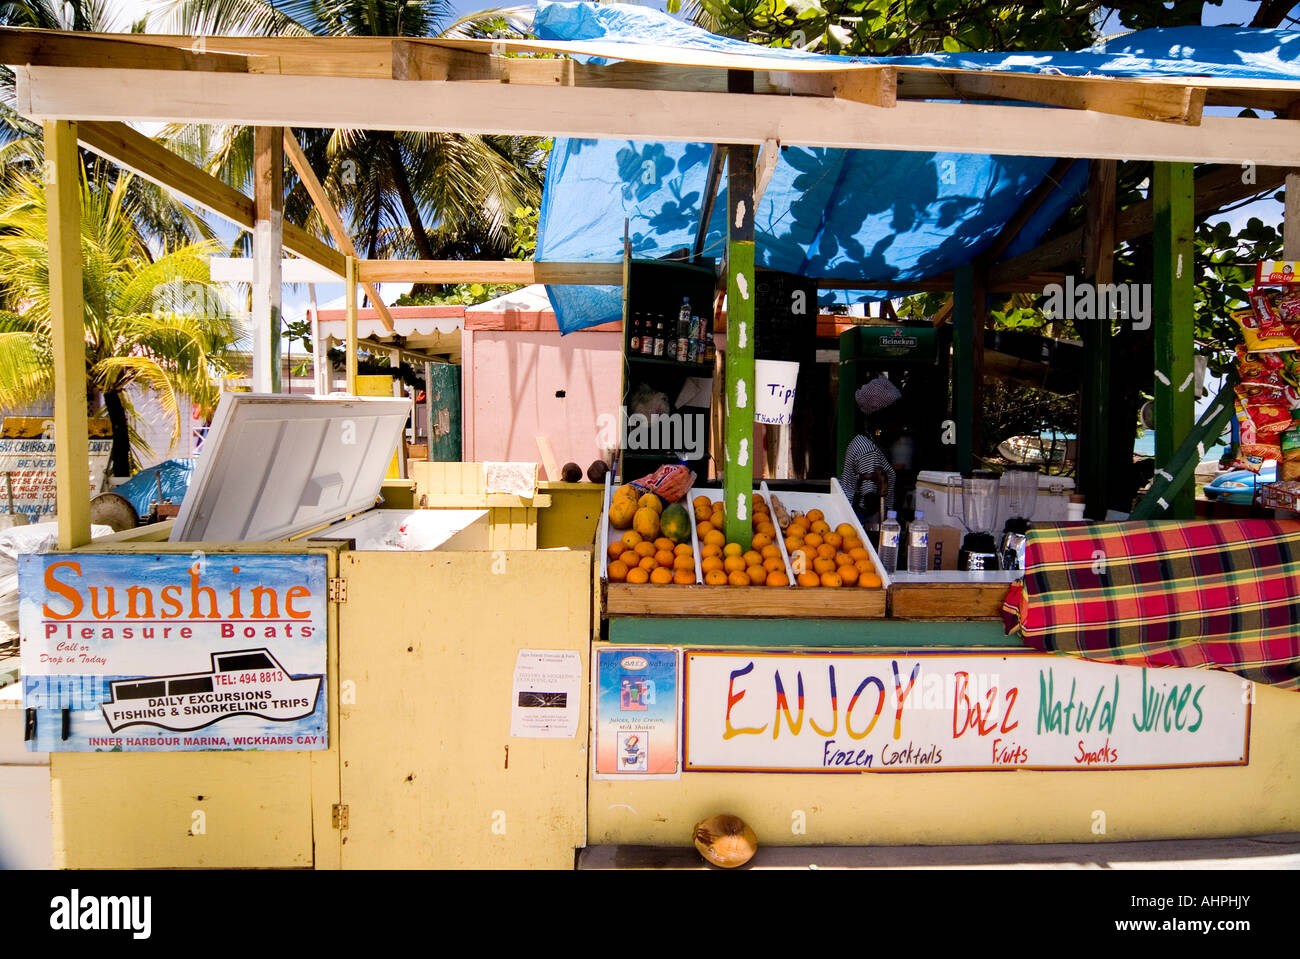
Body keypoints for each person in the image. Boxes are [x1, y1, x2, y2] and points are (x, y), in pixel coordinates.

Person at [840, 376, 904, 532]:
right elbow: (868, 500)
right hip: (866, 529)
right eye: (895, 414)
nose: (899, 420)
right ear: (882, 415)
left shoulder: (861, 441)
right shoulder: (867, 450)